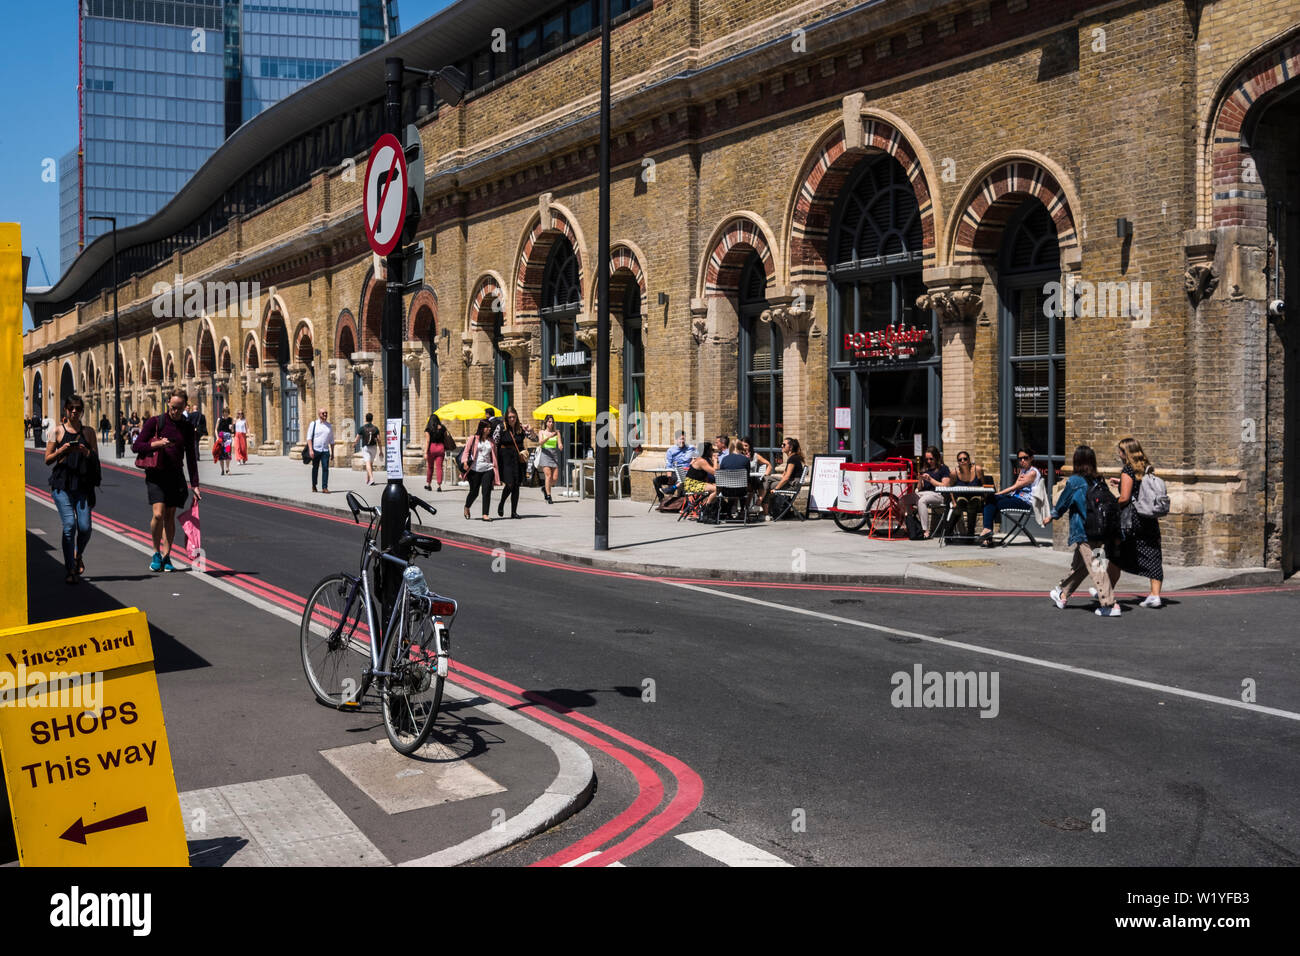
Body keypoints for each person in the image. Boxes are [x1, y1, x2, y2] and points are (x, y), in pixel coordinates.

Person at [1046, 444, 1122, 616]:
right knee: (1081, 566)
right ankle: (1062, 593)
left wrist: (1051, 516)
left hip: (1083, 531)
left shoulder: (1074, 481)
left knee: (1096, 566)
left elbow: (1063, 503)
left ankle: (1110, 604)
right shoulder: (1099, 480)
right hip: (1100, 531)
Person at [132, 388, 201, 573]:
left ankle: (166, 555)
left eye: (179, 408)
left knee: (169, 516)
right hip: (156, 474)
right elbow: (136, 446)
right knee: (158, 514)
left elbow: (191, 457)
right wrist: (157, 444)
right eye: (173, 407)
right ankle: (155, 552)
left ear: (185, 406)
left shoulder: (186, 427)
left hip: (175, 475)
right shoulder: (156, 422)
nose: (175, 411)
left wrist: (195, 484)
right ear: (167, 403)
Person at [46, 395, 100, 585]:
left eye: (78, 408)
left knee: (84, 527)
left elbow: (96, 459)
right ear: (66, 411)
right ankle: (70, 568)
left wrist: (87, 453)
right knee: (69, 525)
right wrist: (62, 451)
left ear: (82, 411)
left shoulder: (89, 432)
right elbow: (48, 459)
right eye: (71, 408)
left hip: (83, 485)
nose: (75, 412)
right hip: (62, 485)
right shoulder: (57, 432)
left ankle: (78, 554)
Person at [1114, 436, 1165, 608]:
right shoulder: (1147, 468)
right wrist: (1120, 483)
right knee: (1152, 553)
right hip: (1149, 517)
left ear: (1126, 453)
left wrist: (1113, 505)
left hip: (1133, 520)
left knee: (1117, 552)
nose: (1119, 454)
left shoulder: (1127, 470)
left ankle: (1104, 589)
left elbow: (1125, 498)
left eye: (1120, 451)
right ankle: (1155, 595)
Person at [978, 448, 1040, 547]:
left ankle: (987, 533)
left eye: (1025, 458)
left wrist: (998, 494)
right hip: (1015, 498)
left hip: (1025, 502)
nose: (1022, 461)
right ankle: (987, 534)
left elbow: (1014, 487)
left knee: (992, 500)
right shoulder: (1023, 470)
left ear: (1031, 458)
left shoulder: (1032, 473)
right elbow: (1016, 486)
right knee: (989, 500)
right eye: (1020, 459)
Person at [493, 407, 536, 519]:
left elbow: (534, 439)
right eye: (510, 417)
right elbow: (494, 441)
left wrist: (531, 430)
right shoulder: (501, 427)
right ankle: (502, 503)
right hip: (505, 457)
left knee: (516, 485)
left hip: (518, 458)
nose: (512, 419)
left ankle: (513, 512)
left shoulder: (521, 428)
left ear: (516, 417)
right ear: (506, 418)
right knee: (510, 483)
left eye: (514, 417)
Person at [902, 446, 952, 539]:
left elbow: (945, 486)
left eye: (931, 459)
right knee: (904, 499)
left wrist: (930, 479)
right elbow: (920, 488)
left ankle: (925, 531)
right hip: (925, 493)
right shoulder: (925, 469)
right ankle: (911, 525)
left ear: (936, 458)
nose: (929, 461)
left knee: (921, 501)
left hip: (938, 494)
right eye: (927, 459)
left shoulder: (943, 468)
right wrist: (920, 480)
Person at [460, 419, 500, 521]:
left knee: (486, 491)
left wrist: (495, 467)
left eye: (490, 427)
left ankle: (485, 514)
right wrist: (465, 462)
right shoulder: (473, 439)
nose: (489, 429)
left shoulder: (491, 441)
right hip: (474, 469)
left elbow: (494, 455)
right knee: (474, 492)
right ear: (482, 428)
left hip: (488, 468)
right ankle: (467, 506)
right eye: (487, 427)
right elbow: (466, 452)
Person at [762, 437, 805, 519]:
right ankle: (765, 508)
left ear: (790, 447)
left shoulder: (793, 459)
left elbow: (786, 478)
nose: (782, 446)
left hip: (792, 484)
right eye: (782, 444)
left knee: (769, 485)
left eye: (784, 444)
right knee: (766, 479)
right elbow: (784, 475)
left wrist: (776, 489)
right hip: (791, 482)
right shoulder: (792, 458)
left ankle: (764, 510)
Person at [949, 451, 988, 539]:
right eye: (960, 460)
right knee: (959, 506)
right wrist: (953, 501)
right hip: (961, 497)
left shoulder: (977, 470)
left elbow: (984, 485)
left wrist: (984, 498)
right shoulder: (954, 473)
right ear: (958, 462)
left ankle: (970, 533)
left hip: (976, 496)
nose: (962, 461)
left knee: (972, 504)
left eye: (965, 459)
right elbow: (950, 489)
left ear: (969, 460)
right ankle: (948, 532)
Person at [655, 431, 696, 502]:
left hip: (687, 473)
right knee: (656, 480)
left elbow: (695, 460)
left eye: (683, 439)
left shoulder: (691, 448)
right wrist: (669, 477)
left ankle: (673, 492)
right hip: (674, 474)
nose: (682, 441)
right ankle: (662, 500)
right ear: (676, 439)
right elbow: (669, 465)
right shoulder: (671, 450)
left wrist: (691, 464)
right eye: (680, 439)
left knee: (682, 480)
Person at [683, 441, 717, 519]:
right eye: (712, 450)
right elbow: (714, 472)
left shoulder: (704, 460)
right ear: (707, 451)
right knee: (717, 489)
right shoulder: (701, 461)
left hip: (698, 483)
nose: (713, 452)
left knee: (718, 487)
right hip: (692, 484)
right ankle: (706, 509)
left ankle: (709, 509)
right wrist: (715, 460)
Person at [423, 413, 456, 492]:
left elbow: (427, 441)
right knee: (439, 467)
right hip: (441, 448)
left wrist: (425, 452)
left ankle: (429, 484)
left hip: (432, 448)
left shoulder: (428, 429)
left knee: (430, 467)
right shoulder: (443, 428)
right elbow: (445, 438)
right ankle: (439, 486)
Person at [535, 414, 563, 504]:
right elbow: (540, 443)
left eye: (552, 422)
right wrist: (548, 437)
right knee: (548, 476)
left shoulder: (557, 432)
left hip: (554, 455)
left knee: (554, 479)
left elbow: (559, 443)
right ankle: (548, 496)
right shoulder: (541, 432)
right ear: (546, 423)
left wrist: (560, 446)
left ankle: (545, 488)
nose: (551, 423)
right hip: (545, 454)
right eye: (549, 422)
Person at [304, 409, 333, 493]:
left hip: (325, 450)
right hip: (315, 450)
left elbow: (331, 440)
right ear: (319, 414)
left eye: (326, 413)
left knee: (325, 468)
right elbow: (309, 438)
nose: (325, 414)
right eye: (323, 413)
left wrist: (333, 452)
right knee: (315, 468)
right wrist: (310, 450)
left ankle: (324, 487)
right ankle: (314, 485)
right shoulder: (314, 424)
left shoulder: (329, 426)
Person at [357, 413, 382, 486]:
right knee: (370, 464)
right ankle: (367, 479)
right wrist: (381, 451)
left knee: (367, 463)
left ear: (366, 419)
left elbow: (357, 438)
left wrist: (354, 444)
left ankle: (371, 479)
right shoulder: (376, 428)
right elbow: (379, 440)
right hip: (374, 447)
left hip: (366, 447)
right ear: (372, 419)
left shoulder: (362, 428)